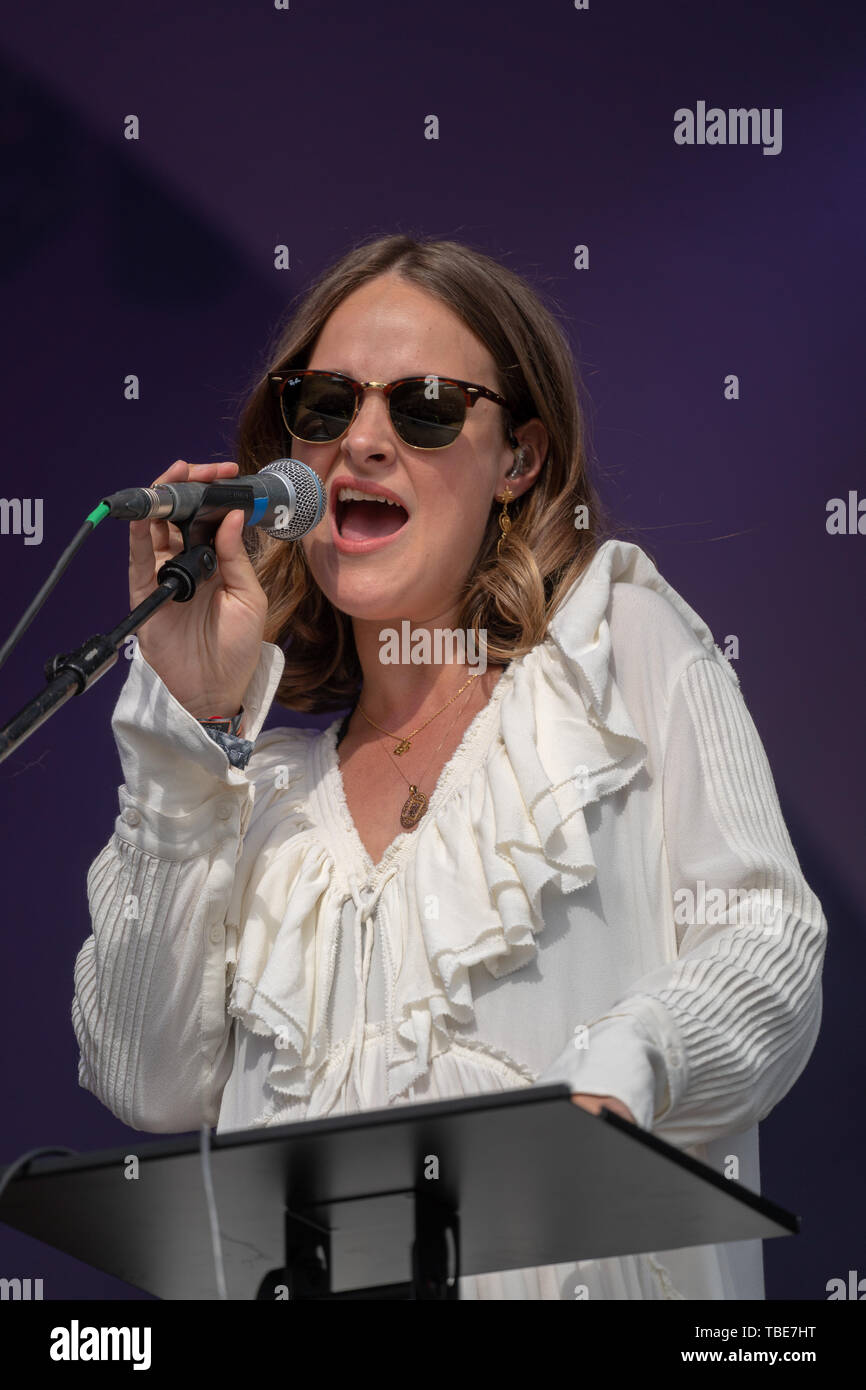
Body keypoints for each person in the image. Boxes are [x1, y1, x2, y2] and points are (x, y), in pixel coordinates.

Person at [72, 234, 827, 1300]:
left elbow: (767, 941)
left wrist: (636, 1059)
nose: (361, 443)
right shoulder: (258, 792)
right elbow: (145, 1079)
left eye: (423, 407)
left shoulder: (611, 639)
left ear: (516, 459)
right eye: (324, 405)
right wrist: (190, 720)